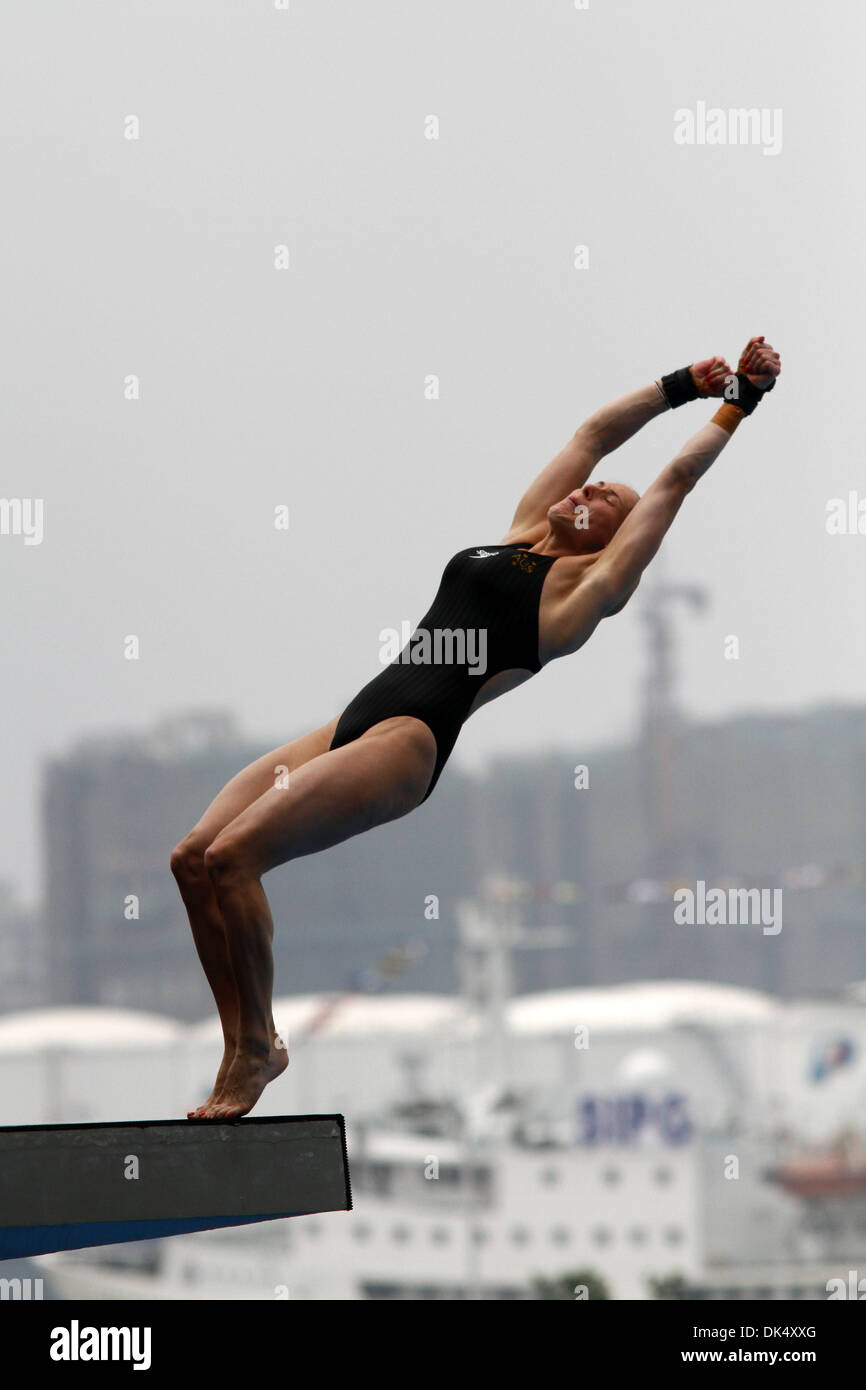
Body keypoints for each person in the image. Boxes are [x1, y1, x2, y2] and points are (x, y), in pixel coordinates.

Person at [171, 335, 781, 1118]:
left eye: (607, 502)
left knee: (234, 861)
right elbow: (592, 435)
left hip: (408, 741)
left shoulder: (583, 592)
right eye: (595, 488)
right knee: (193, 859)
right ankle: (244, 1042)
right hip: (353, 717)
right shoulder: (525, 530)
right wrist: (677, 386)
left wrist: (739, 404)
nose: (592, 489)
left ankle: (257, 1049)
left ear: (613, 540)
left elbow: (673, 481)